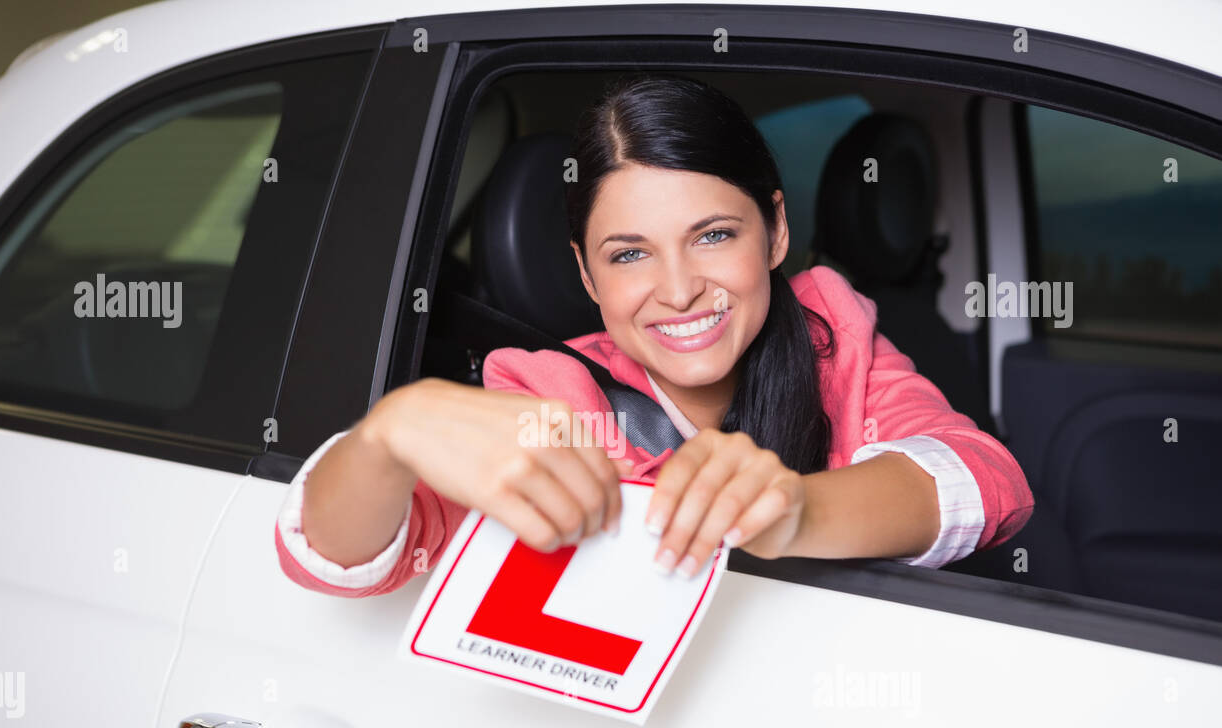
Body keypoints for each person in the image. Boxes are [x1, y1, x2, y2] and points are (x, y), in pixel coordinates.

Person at [275, 73, 1033, 599]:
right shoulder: (547, 396)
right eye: (630, 253)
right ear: (585, 273)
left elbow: (986, 483)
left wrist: (796, 511)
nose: (677, 290)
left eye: (712, 236)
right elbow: (340, 562)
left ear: (774, 232)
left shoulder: (831, 330)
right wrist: (385, 436)